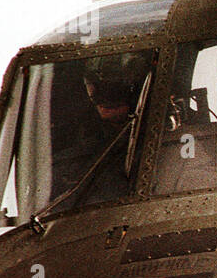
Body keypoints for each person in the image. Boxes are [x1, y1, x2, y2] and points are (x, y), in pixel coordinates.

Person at [50, 52, 151, 205]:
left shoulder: (158, 141)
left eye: (114, 87)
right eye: (95, 86)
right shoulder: (74, 145)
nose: (104, 97)